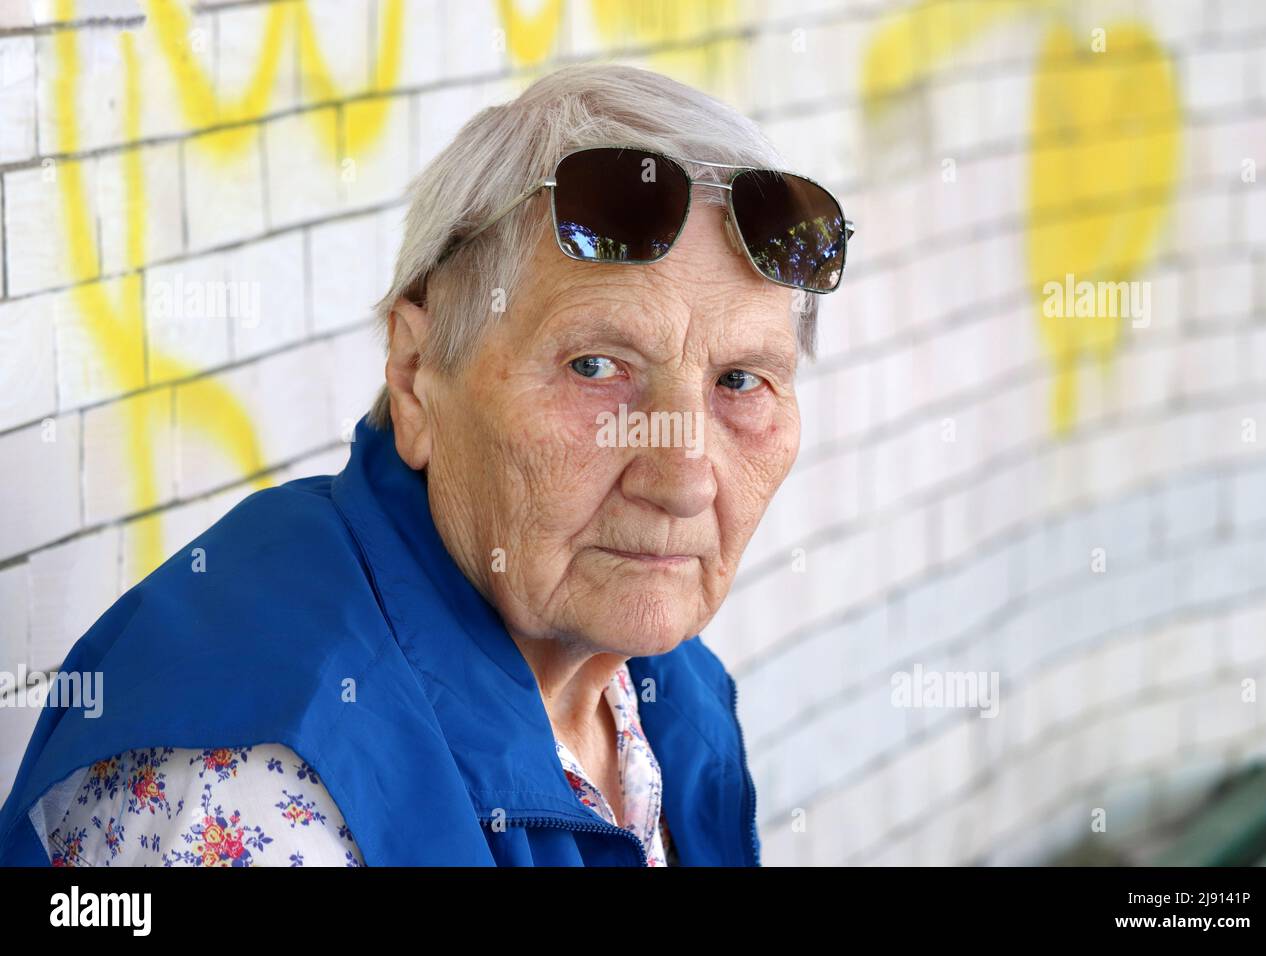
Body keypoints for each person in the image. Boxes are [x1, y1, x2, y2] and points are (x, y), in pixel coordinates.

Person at [0, 61, 851, 866]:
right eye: (595, 367)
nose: (682, 478)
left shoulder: (661, 686)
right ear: (415, 376)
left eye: (741, 380)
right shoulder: (266, 785)